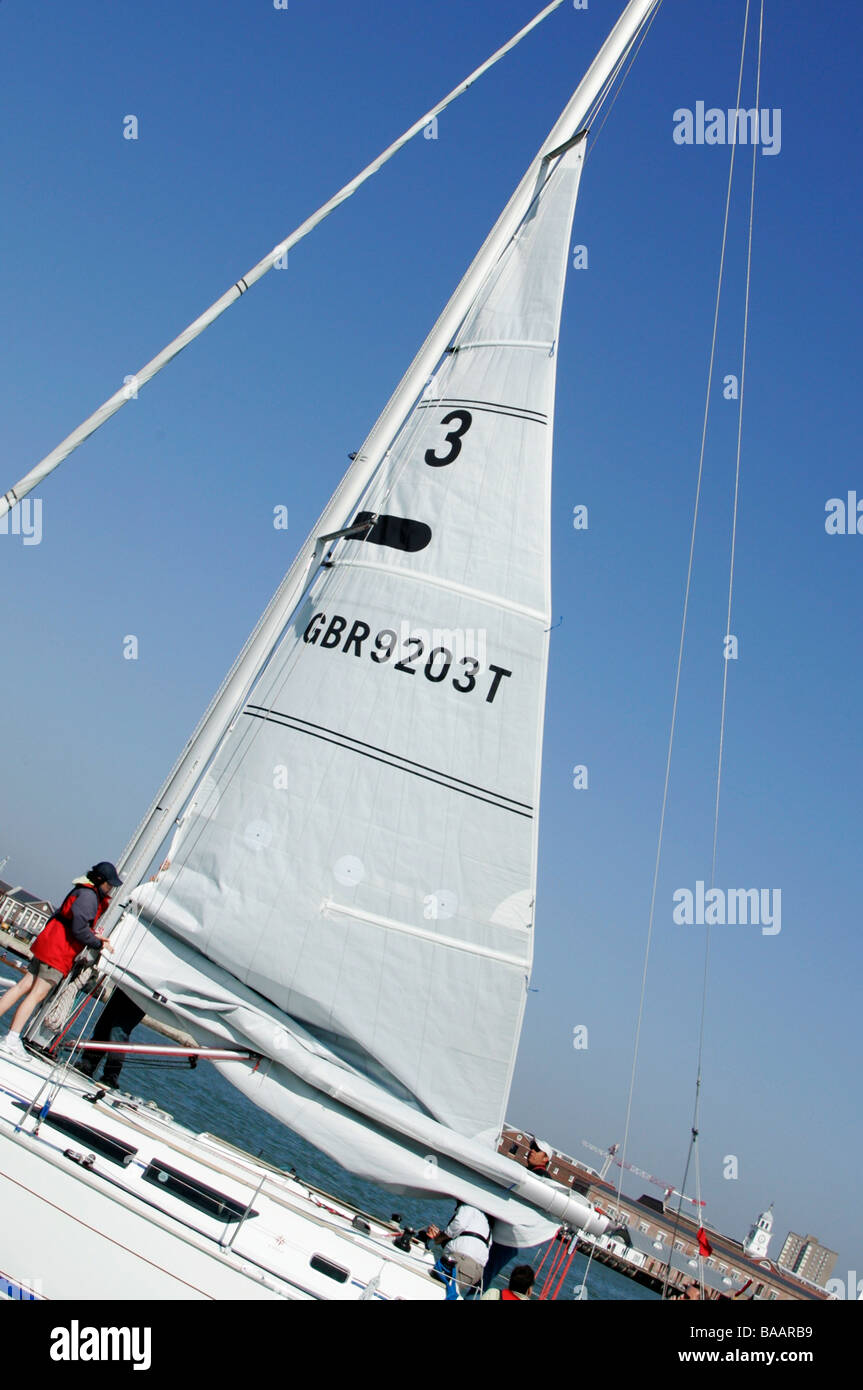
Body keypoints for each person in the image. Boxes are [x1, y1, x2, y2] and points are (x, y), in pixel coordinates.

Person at [0, 862, 120, 1058]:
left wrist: (94, 937)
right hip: (58, 950)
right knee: (36, 994)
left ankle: (11, 1037)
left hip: (48, 942)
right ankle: (12, 1038)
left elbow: (73, 921)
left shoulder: (81, 890)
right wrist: (98, 944)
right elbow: (79, 929)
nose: (111, 889)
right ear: (100, 880)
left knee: (22, 987)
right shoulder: (89, 897)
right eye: (109, 884)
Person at [77, 987, 144, 1088]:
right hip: (124, 986)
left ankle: (110, 1077)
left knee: (119, 1032)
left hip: (143, 995)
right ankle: (87, 1065)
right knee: (104, 1026)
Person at [424, 1204, 492, 1297]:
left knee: (435, 1288)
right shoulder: (484, 1223)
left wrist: (440, 1237)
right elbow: (464, 1246)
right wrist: (440, 1238)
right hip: (475, 1271)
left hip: (462, 1262)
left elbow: (459, 1224)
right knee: (444, 1290)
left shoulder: (467, 1208)